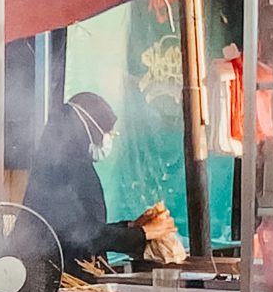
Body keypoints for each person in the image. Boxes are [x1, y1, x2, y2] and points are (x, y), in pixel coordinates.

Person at [23, 90, 180, 267]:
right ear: (91, 129)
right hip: (59, 275)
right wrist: (142, 234)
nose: (109, 139)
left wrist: (131, 226)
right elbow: (78, 235)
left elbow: (85, 225)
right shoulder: (65, 167)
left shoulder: (68, 163)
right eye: (108, 133)